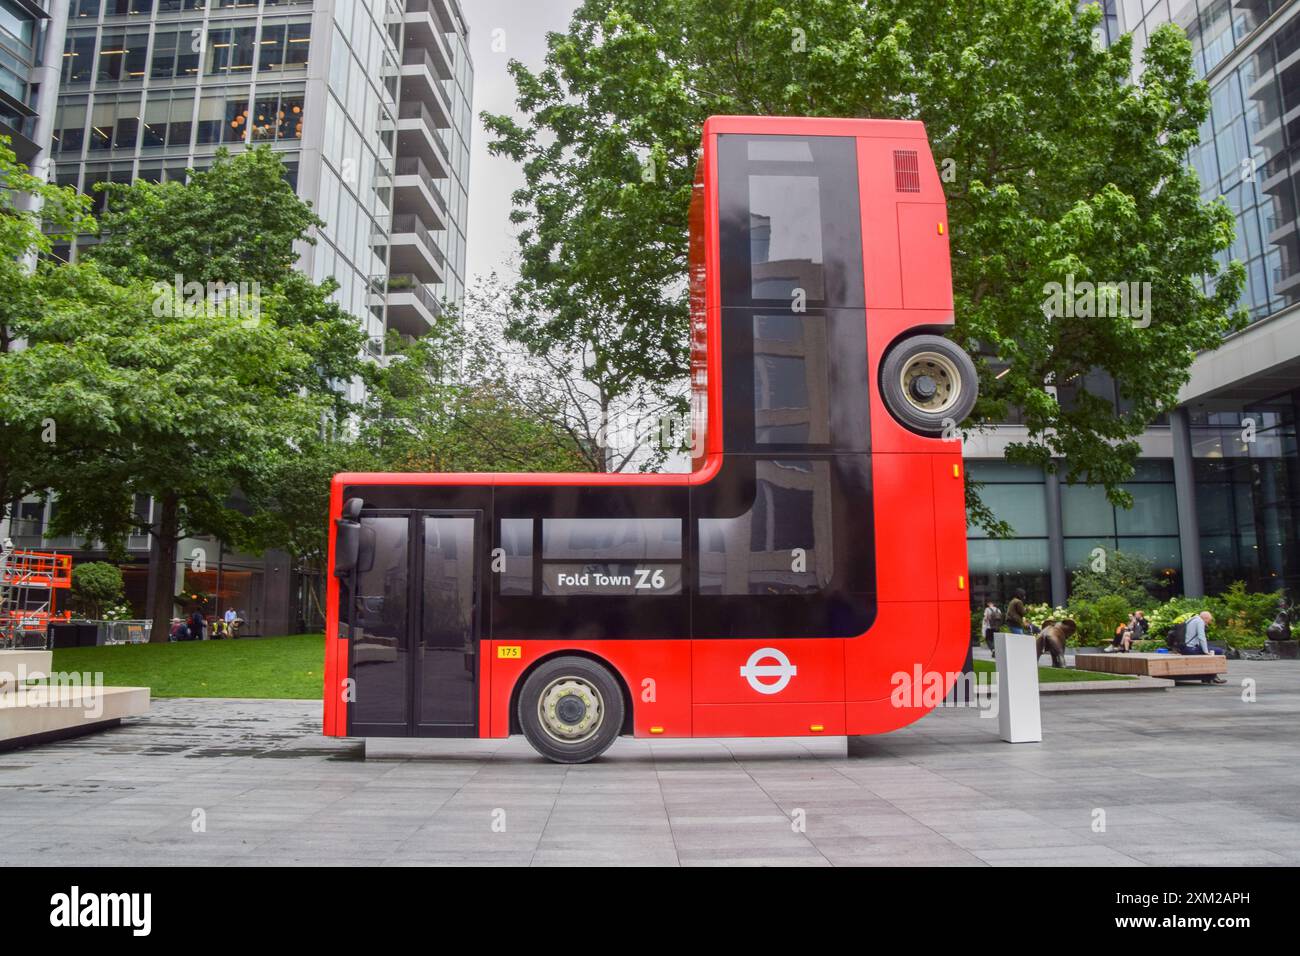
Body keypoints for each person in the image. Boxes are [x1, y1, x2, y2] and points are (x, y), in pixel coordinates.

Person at [1182, 611, 1227, 684]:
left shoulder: (1192, 619)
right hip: (1190, 649)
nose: (1208, 623)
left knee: (1210, 650)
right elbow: (1201, 637)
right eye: (1209, 621)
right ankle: (1212, 677)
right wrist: (1206, 651)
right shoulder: (1200, 621)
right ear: (1205, 618)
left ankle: (1208, 677)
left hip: (1185, 648)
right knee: (1218, 651)